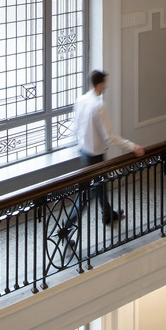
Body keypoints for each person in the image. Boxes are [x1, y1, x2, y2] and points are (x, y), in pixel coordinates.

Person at [62, 70, 144, 237]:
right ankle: (66, 226)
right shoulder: (99, 106)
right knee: (88, 194)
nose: (106, 85)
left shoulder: (82, 99)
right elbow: (109, 136)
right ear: (99, 84)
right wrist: (132, 146)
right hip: (96, 156)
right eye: (105, 83)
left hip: (84, 152)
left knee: (100, 187)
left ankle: (107, 215)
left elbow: (76, 126)